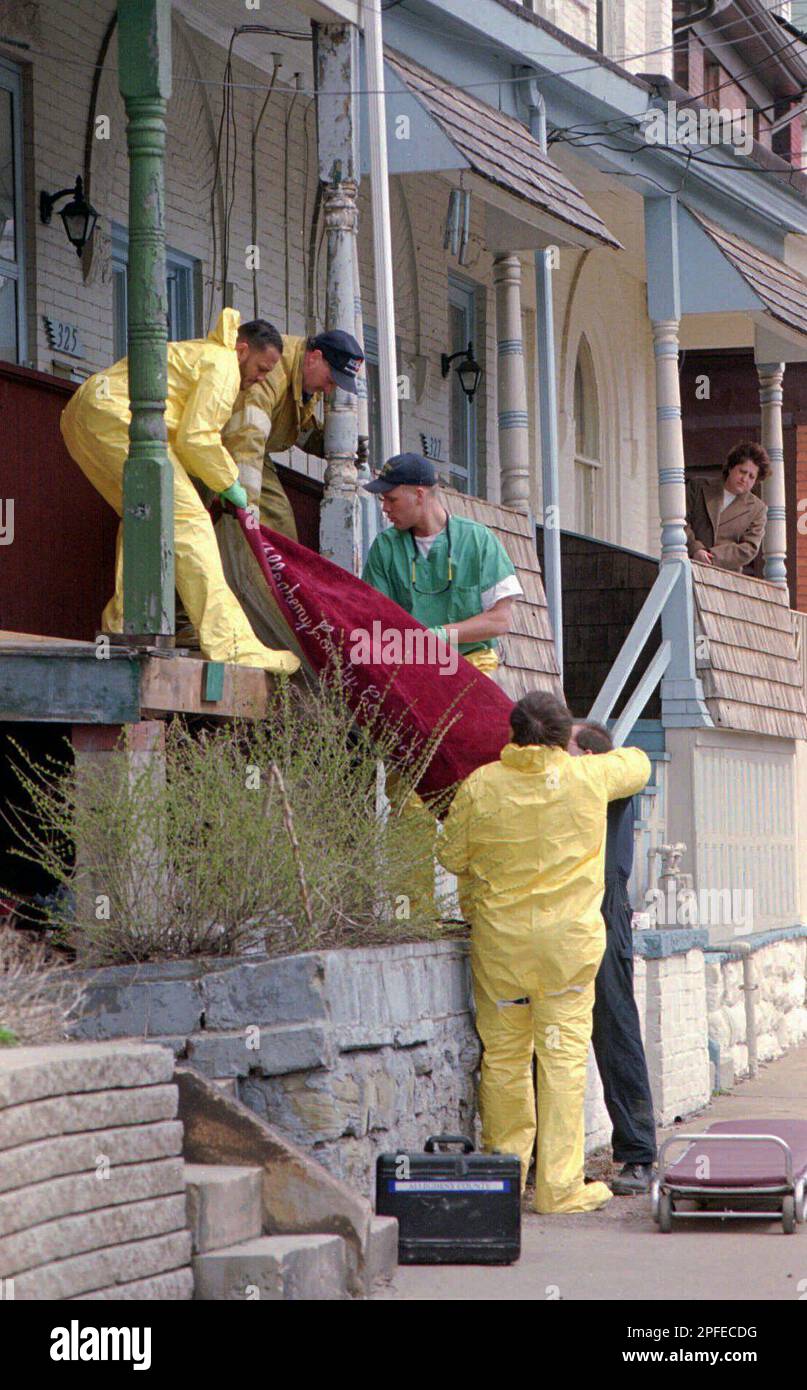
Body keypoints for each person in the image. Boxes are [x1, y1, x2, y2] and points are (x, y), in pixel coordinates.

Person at [437, 691, 651, 1214]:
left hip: (502, 948)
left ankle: (506, 1178)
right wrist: (590, 752)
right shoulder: (590, 777)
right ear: (562, 738)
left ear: (512, 734)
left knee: (507, 1059)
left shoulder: (482, 785)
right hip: (568, 951)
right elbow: (639, 764)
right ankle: (559, 1187)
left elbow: (451, 854)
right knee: (562, 1059)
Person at [60, 311, 299, 674]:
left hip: (83, 414)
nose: (259, 379)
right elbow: (197, 439)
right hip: (116, 417)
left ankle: (125, 626)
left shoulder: (201, 354)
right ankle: (231, 644)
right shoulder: (223, 366)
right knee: (189, 522)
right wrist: (230, 483)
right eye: (262, 369)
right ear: (242, 348)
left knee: (146, 518)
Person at [569, 719, 657, 1194]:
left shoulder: (609, 777)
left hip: (603, 910)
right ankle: (553, 1159)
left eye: (563, 746)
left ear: (586, 752)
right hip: (559, 911)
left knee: (615, 1029)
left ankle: (638, 1154)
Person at [362, 453, 523, 680]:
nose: (385, 508)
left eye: (391, 499)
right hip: (410, 673)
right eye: (383, 500)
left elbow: (500, 620)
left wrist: (439, 635)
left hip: (473, 675)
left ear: (419, 495)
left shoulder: (478, 540)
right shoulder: (385, 547)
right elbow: (374, 619)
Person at [221, 328, 365, 538]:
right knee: (256, 524)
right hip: (222, 444)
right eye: (331, 380)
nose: (328, 390)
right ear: (315, 357)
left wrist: (325, 442)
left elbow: (295, 426)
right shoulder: (272, 375)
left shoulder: (306, 378)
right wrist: (248, 507)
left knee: (279, 521)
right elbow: (247, 438)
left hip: (249, 450)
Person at [685, 441, 769, 573]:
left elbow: (750, 547)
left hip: (725, 577)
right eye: (742, 471)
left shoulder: (757, 509)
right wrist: (696, 549)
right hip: (688, 565)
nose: (745, 479)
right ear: (731, 467)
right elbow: (682, 520)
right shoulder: (698, 486)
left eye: (751, 477)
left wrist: (712, 556)